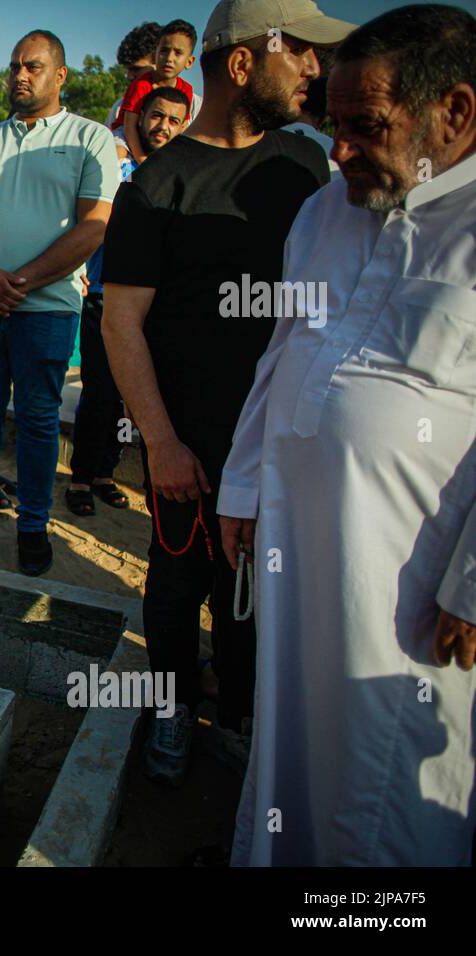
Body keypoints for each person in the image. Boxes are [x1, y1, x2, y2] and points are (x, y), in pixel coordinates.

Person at [221, 4, 476, 866]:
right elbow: (285, 349)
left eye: (366, 128)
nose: (339, 151)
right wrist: (246, 486)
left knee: (386, 772)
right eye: (334, 127)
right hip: (298, 542)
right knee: (292, 728)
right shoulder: (327, 210)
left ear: (457, 114)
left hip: (417, 578)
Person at [101, 0, 349, 787]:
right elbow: (121, 323)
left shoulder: (303, 168)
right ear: (244, 64)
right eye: (298, 53)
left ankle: (241, 719)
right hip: (190, 445)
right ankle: (173, 706)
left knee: (259, 591)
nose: (312, 67)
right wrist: (162, 442)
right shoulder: (157, 185)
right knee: (179, 579)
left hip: (284, 439)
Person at [0, 30, 120, 577]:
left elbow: (94, 225)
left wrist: (22, 281)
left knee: (37, 420)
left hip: (49, 308)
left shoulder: (90, 137)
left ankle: (32, 524)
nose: (19, 76)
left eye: (32, 66)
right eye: (13, 67)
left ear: (60, 76)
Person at [67, 86, 190, 518]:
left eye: (175, 121)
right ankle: (80, 477)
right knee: (98, 390)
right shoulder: (114, 163)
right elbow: (83, 216)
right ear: (139, 115)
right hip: (103, 295)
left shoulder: (181, 171)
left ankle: (105, 473)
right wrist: (75, 265)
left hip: (158, 303)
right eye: (157, 116)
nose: (164, 127)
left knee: (132, 396)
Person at [115, 19, 201, 164]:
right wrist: (143, 161)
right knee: (116, 156)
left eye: (178, 53)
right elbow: (129, 127)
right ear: (155, 54)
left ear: (189, 62)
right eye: (164, 51)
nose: (169, 58)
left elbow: (182, 128)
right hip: (126, 135)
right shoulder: (141, 85)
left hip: (162, 141)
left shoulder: (187, 91)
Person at [105, 23, 164, 127]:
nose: (129, 76)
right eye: (128, 70)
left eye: (136, 69)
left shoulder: (193, 106)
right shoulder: (120, 107)